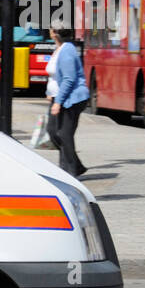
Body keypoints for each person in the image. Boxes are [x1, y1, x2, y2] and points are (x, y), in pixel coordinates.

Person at [47, 27, 89, 177]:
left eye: (51, 29)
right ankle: (75, 166)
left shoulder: (67, 51)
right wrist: (49, 93)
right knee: (53, 132)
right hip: (57, 97)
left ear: (55, 33)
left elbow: (69, 79)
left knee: (64, 134)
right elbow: (54, 76)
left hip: (70, 99)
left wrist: (58, 102)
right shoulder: (58, 49)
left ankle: (70, 171)